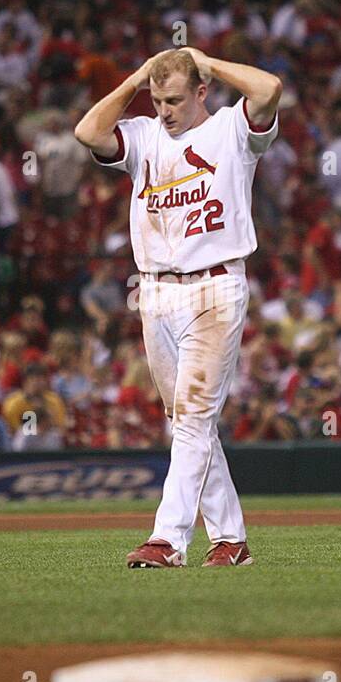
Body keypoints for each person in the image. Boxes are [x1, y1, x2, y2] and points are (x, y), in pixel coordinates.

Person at [74, 46, 282, 568]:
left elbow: (269, 89)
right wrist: (135, 78)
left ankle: (167, 539)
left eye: (173, 99)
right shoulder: (143, 133)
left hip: (215, 286)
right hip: (155, 292)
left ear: (201, 92)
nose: (163, 109)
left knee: (191, 419)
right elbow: (87, 133)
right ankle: (231, 541)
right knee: (189, 421)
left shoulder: (233, 129)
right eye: (157, 99)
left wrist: (208, 61)